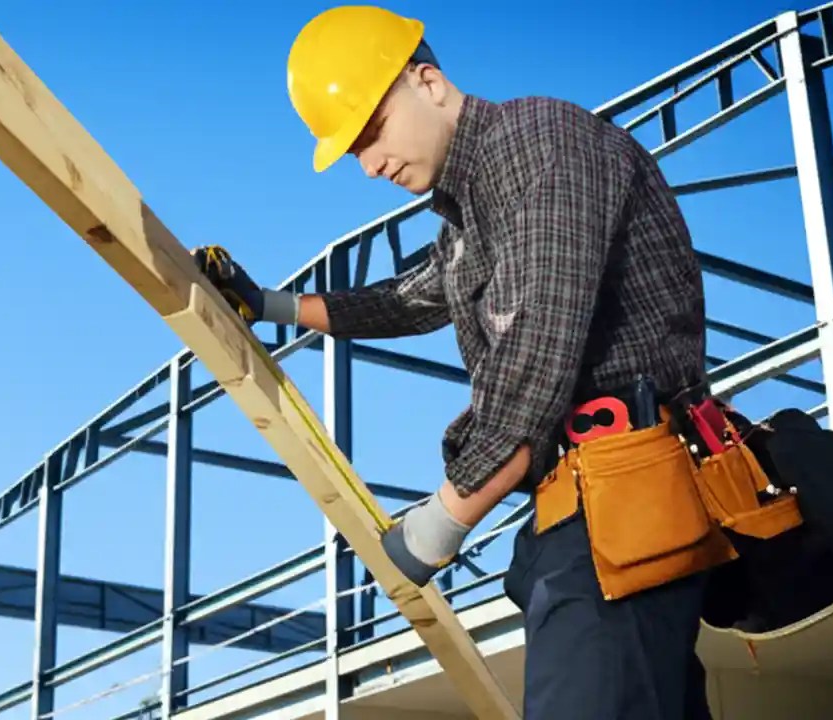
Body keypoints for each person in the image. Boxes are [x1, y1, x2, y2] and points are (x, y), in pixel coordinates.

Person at [193, 6, 727, 719]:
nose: (371, 163)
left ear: (429, 81)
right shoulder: (470, 211)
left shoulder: (544, 145)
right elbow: (408, 300)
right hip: (586, 508)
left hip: (622, 494)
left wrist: (445, 518)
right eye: (353, 151)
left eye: (372, 131)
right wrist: (271, 305)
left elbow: (536, 355)